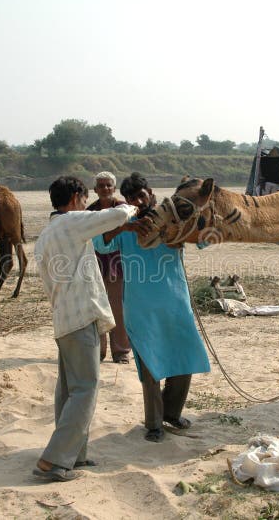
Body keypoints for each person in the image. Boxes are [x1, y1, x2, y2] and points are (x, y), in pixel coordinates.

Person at [33, 175, 139, 482]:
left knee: (68, 390)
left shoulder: (45, 235)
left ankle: (73, 455)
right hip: (81, 317)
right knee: (86, 388)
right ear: (75, 198)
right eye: (82, 198)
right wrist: (132, 207)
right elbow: (116, 215)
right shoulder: (72, 221)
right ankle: (54, 460)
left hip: (63, 320)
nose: (83, 203)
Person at [93, 172, 211, 442]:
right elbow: (99, 242)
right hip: (141, 307)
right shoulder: (126, 225)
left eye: (141, 194)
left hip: (176, 302)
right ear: (128, 201)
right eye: (132, 197)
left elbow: (205, 239)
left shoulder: (173, 219)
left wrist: (197, 220)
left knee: (183, 358)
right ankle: (154, 424)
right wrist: (124, 227)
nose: (138, 200)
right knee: (149, 366)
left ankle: (172, 413)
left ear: (151, 194)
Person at [86, 171, 131, 364]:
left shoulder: (124, 209)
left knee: (118, 307)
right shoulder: (90, 212)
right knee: (97, 307)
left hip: (119, 261)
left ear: (114, 188)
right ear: (95, 190)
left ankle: (120, 351)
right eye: (101, 186)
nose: (105, 189)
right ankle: (99, 352)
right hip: (95, 262)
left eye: (108, 185)